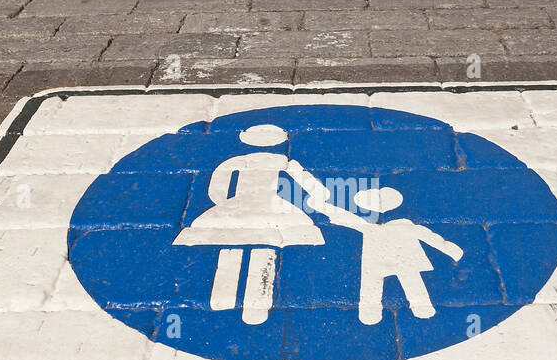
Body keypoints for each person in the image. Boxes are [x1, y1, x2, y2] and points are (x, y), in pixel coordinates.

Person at [173, 123, 325, 325]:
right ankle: (259, 300)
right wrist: (315, 199)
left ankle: (222, 297)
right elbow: (309, 183)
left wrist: (227, 205)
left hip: (239, 205)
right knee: (268, 249)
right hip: (272, 205)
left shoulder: (236, 161)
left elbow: (217, 188)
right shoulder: (283, 161)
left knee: (230, 248)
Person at [296, 175, 463, 325]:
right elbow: (429, 235)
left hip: (381, 260)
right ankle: (417, 309)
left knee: (377, 285)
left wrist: (321, 206)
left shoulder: (379, 226)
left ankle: (372, 314)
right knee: (408, 283)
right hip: (402, 259)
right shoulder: (399, 224)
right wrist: (452, 250)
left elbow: (345, 218)